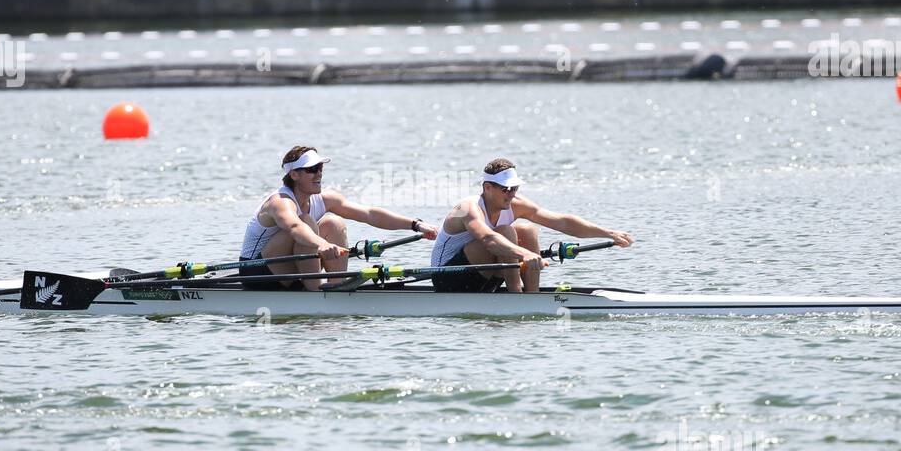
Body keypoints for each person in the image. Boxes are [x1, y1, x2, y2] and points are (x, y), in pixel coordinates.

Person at [239, 146, 439, 291]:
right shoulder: (280, 202)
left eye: (320, 168)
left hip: (289, 267)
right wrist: (321, 244)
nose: (318, 174)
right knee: (307, 222)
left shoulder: (325, 198)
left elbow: (369, 214)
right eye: (311, 169)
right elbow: (294, 226)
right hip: (257, 273)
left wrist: (416, 224)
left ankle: (335, 286)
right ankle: (316, 292)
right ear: (294, 175)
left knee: (333, 222)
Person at [429, 158, 632, 293]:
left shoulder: (515, 204)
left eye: (515, 188)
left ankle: (531, 295)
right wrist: (524, 254)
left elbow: (561, 221)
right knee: (505, 231)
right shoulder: (468, 208)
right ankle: (516, 296)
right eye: (507, 189)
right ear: (488, 187)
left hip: (483, 273)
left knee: (527, 230)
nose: (512, 193)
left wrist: (607, 232)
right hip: (447, 279)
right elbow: (488, 240)